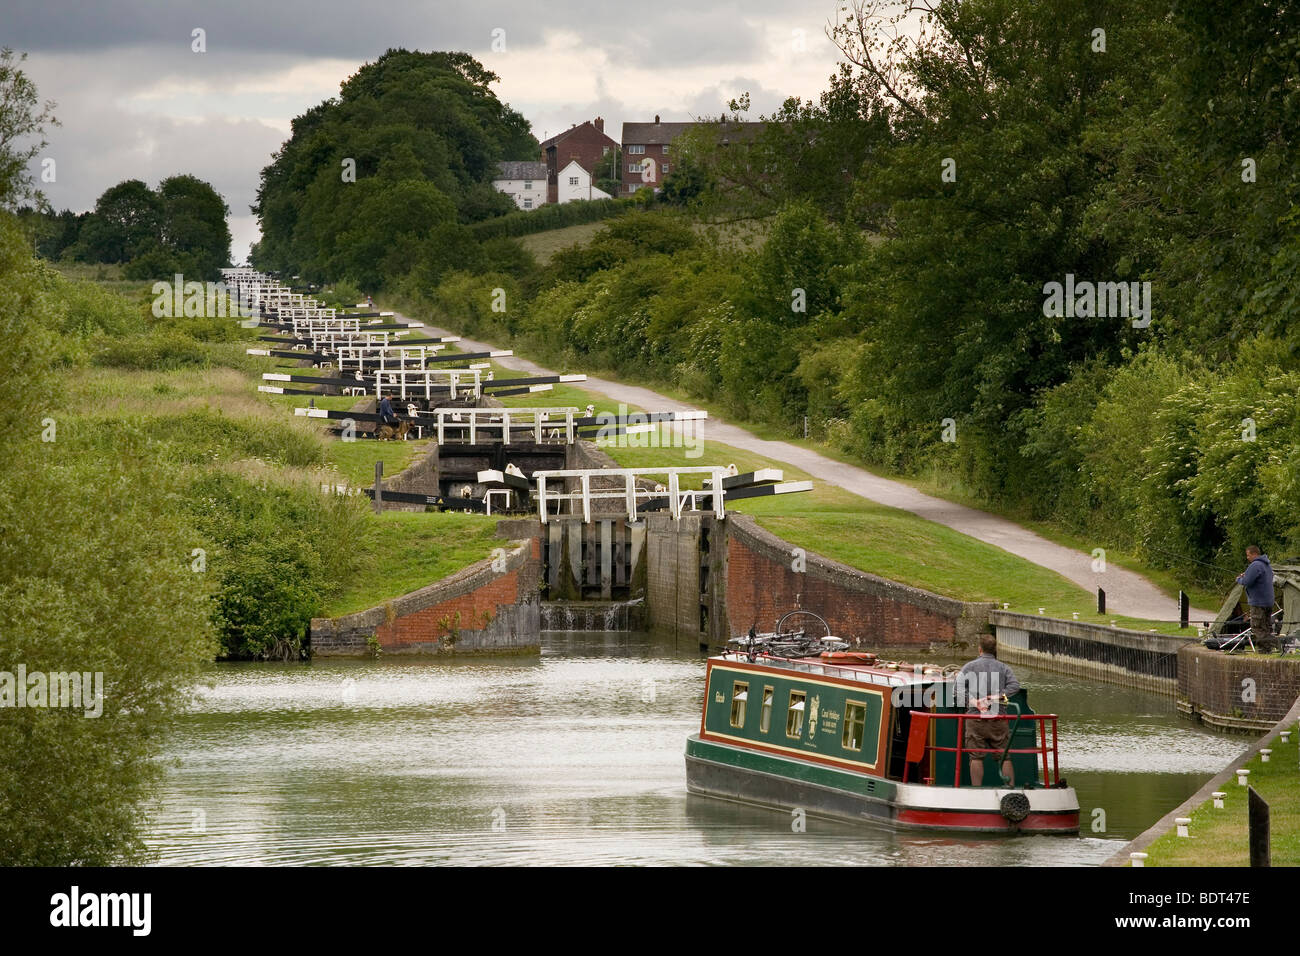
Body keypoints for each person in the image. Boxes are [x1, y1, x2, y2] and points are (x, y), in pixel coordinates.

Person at [958, 634, 1021, 787]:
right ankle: (1010, 788)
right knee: (1004, 756)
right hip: (998, 718)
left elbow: (958, 689)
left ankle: (977, 790)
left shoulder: (969, 667)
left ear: (980, 649)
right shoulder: (1003, 667)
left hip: (975, 718)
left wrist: (975, 702)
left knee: (976, 757)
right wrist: (996, 697)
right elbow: (1015, 686)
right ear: (995, 650)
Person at [1236, 545, 1276, 652]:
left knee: (1257, 626)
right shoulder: (1266, 565)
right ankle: (1270, 647)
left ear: (1254, 554)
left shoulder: (1255, 565)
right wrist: (1247, 575)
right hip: (1268, 601)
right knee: (1266, 626)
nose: (1247, 557)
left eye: (1248, 555)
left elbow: (1247, 582)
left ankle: (1265, 649)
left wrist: (1239, 579)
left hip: (1258, 602)